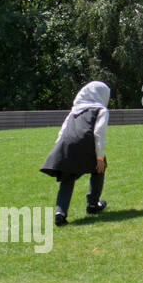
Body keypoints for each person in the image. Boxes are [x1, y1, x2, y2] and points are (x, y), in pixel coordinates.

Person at [40, 81, 112, 226]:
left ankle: (60, 213)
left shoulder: (74, 111)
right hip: (86, 143)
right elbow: (98, 134)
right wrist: (99, 158)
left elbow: (62, 132)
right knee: (100, 168)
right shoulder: (101, 111)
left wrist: (60, 152)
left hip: (66, 145)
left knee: (68, 176)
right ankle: (93, 204)